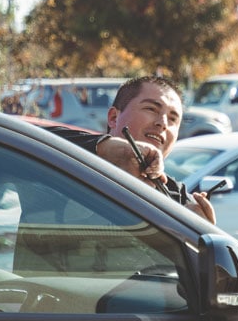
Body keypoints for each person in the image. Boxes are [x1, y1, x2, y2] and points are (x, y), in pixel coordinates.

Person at [50, 75, 215, 224]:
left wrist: (191, 230)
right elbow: (30, 136)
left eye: (173, 119)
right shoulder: (73, 161)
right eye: (151, 109)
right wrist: (114, 150)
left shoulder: (177, 199)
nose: (163, 123)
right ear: (113, 118)